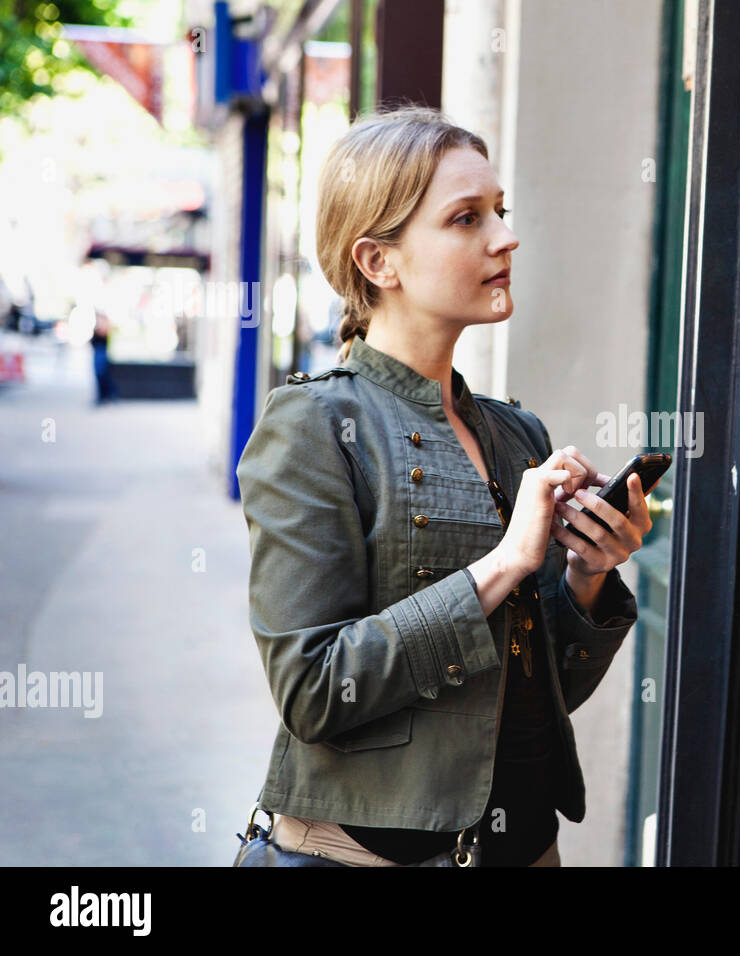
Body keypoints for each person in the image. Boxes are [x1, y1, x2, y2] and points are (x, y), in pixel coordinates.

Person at [235, 105, 652, 867]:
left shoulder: (513, 432)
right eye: (466, 218)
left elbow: (534, 691)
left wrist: (588, 577)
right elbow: (312, 693)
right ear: (377, 262)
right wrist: (503, 566)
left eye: (500, 211)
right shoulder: (314, 426)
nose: (505, 236)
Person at [90, 310, 119, 404]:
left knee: (102, 375)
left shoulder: (104, 326)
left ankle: (108, 395)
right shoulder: (98, 325)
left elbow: (103, 334)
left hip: (101, 353)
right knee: (100, 375)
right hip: (98, 353)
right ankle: (104, 396)